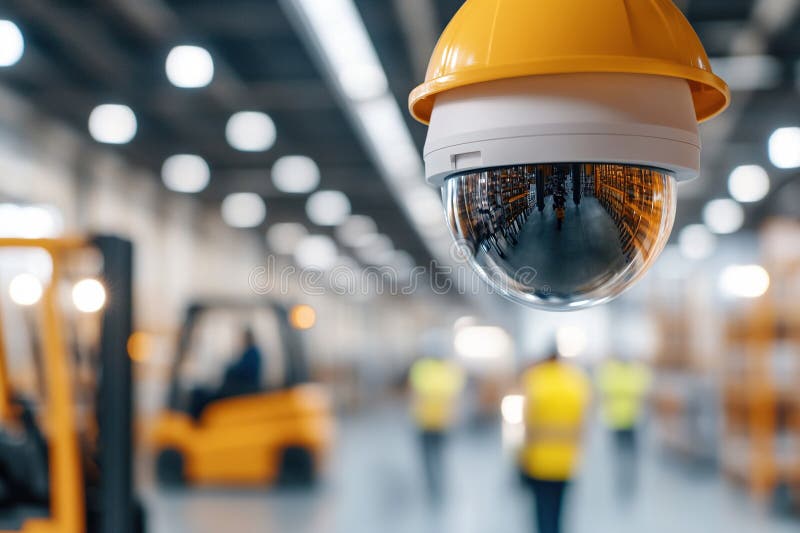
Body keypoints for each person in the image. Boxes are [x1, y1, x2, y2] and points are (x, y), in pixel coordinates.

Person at [519, 349, 591, 533]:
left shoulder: (535, 379)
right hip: (566, 461)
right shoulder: (576, 381)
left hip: (539, 461)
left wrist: (522, 456)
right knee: (560, 511)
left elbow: (527, 423)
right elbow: (583, 422)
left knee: (542, 511)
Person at [408, 356, 465, 502]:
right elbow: (454, 398)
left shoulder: (422, 369)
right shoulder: (448, 371)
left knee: (428, 457)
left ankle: (433, 486)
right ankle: (438, 486)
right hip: (440, 422)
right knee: (439, 456)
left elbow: (414, 395)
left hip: (425, 421)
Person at [596, 356, 651, 500]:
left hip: (627, 420)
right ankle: (625, 480)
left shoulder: (613, 372)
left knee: (627, 455)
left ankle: (626, 480)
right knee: (624, 454)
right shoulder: (634, 372)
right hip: (622, 421)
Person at [190, 328, 263, 417]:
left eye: (242, 338)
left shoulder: (252, 353)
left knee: (200, 396)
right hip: (240, 388)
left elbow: (242, 370)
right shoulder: (250, 352)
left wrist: (228, 369)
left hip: (242, 390)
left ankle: (197, 420)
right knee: (204, 393)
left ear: (247, 338)